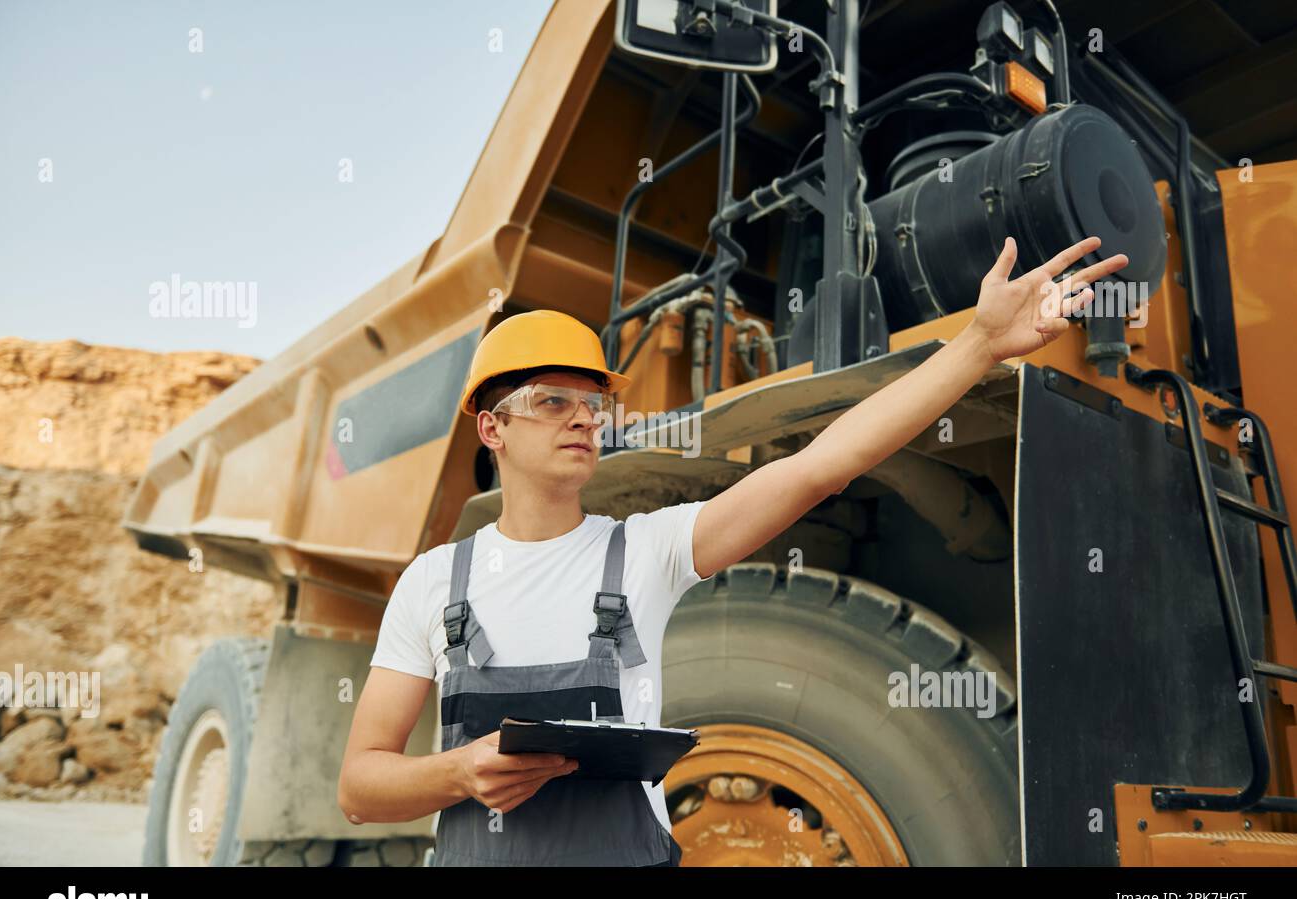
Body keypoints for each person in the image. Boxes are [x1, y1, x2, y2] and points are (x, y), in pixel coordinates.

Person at [337, 235, 1128, 867]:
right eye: (552, 402)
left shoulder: (646, 551)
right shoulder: (435, 583)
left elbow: (821, 466)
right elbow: (360, 786)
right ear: (493, 428)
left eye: (592, 403)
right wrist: (456, 773)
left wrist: (980, 344)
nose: (583, 419)